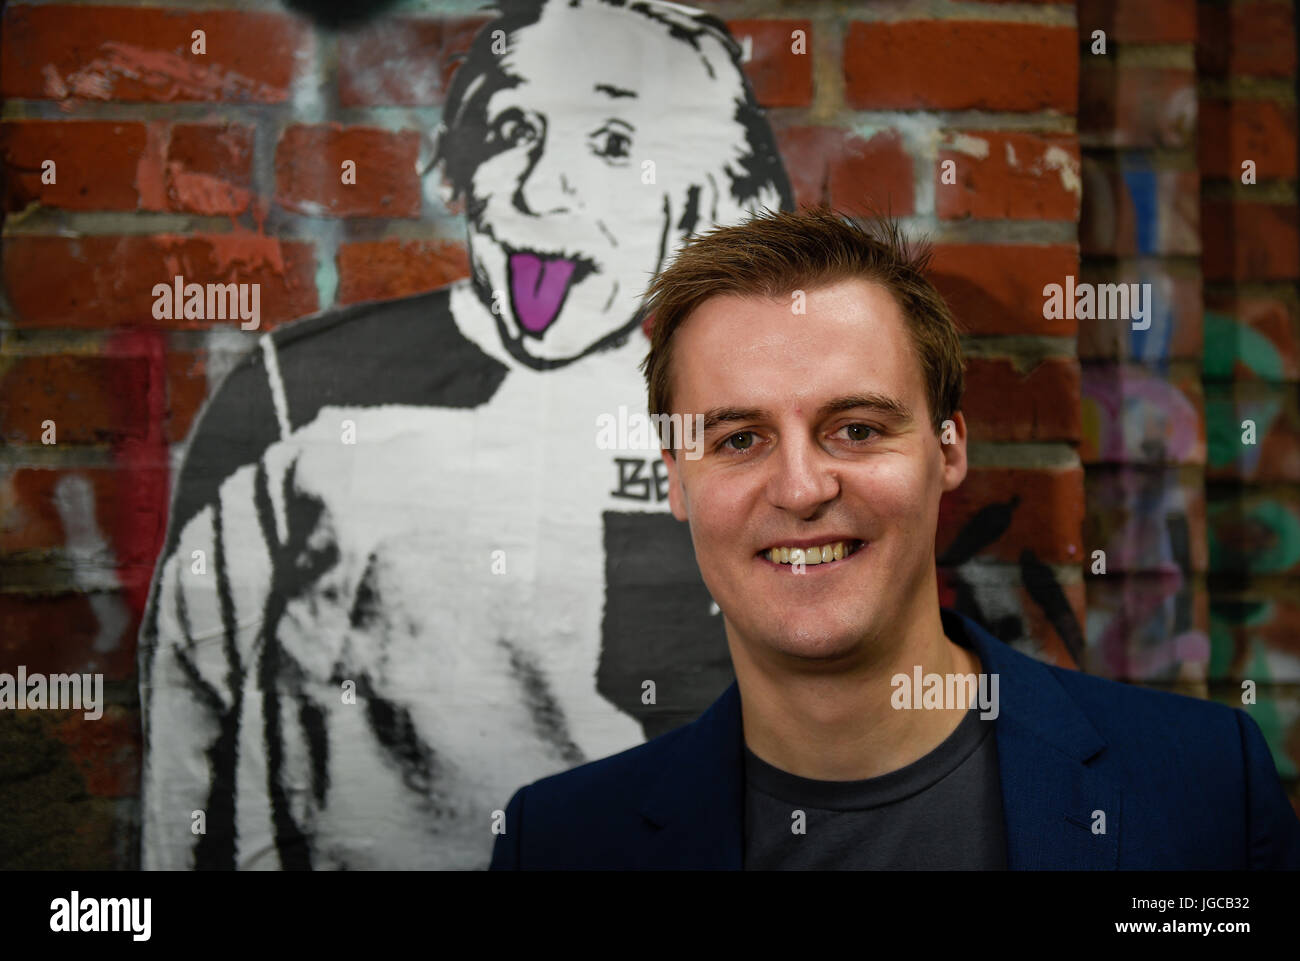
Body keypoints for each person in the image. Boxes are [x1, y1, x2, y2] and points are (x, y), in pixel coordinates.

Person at [138, 0, 792, 870]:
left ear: (702, 191)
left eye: (610, 145)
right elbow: (190, 703)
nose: (539, 187)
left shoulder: (744, 408)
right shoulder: (297, 395)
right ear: (455, 164)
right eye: (515, 126)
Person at [489, 206, 1300, 870]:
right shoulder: (561, 843)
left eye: (855, 427)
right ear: (676, 478)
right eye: (739, 439)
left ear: (948, 450)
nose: (804, 489)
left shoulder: (1201, 788)